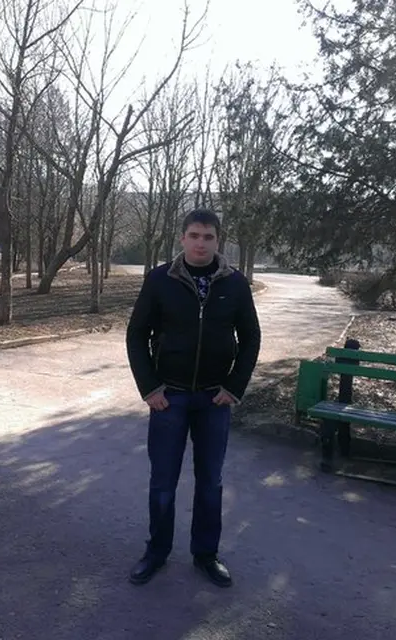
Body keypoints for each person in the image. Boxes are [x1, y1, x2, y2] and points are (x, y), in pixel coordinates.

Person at [126, 208, 261, 587]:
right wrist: (150, 388)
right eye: (194, 236)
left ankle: (206, 555)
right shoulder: (160, 280)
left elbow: (251, 337)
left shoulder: (235, 283)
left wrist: (233, 387)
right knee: (163, 482)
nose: (201, 243)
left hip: (214, 400)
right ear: (182, 238)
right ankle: (156, 552)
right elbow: (136, 334)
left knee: (210, 482)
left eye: (208, 237)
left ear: (218, 241)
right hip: (169, 398)